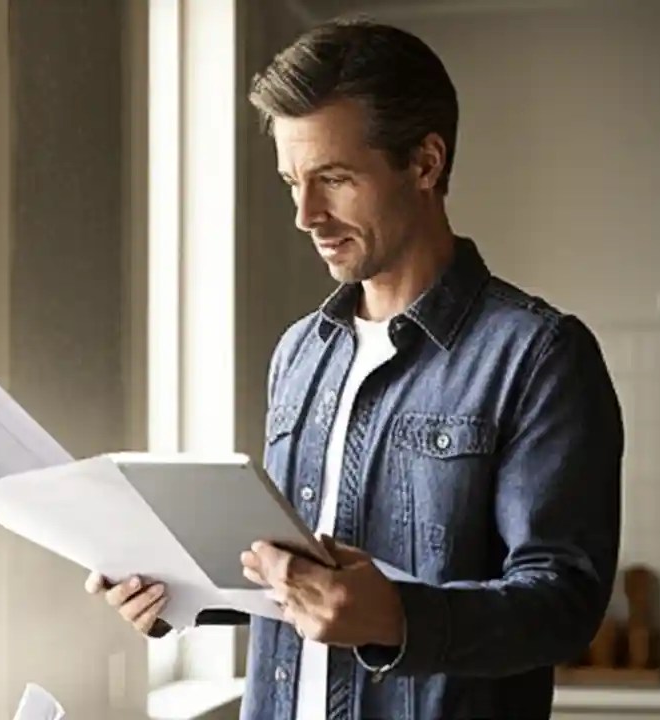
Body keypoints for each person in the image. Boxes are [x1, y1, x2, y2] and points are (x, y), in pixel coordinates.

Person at [87, 17, 623, 720]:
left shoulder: (538, 355)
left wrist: (397, 617)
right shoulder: (299, 352)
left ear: (425, 163)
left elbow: (562, 605)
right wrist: (176, 593)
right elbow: (295, 588)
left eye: (333, 179)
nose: (306, 215)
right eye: (292, 182)